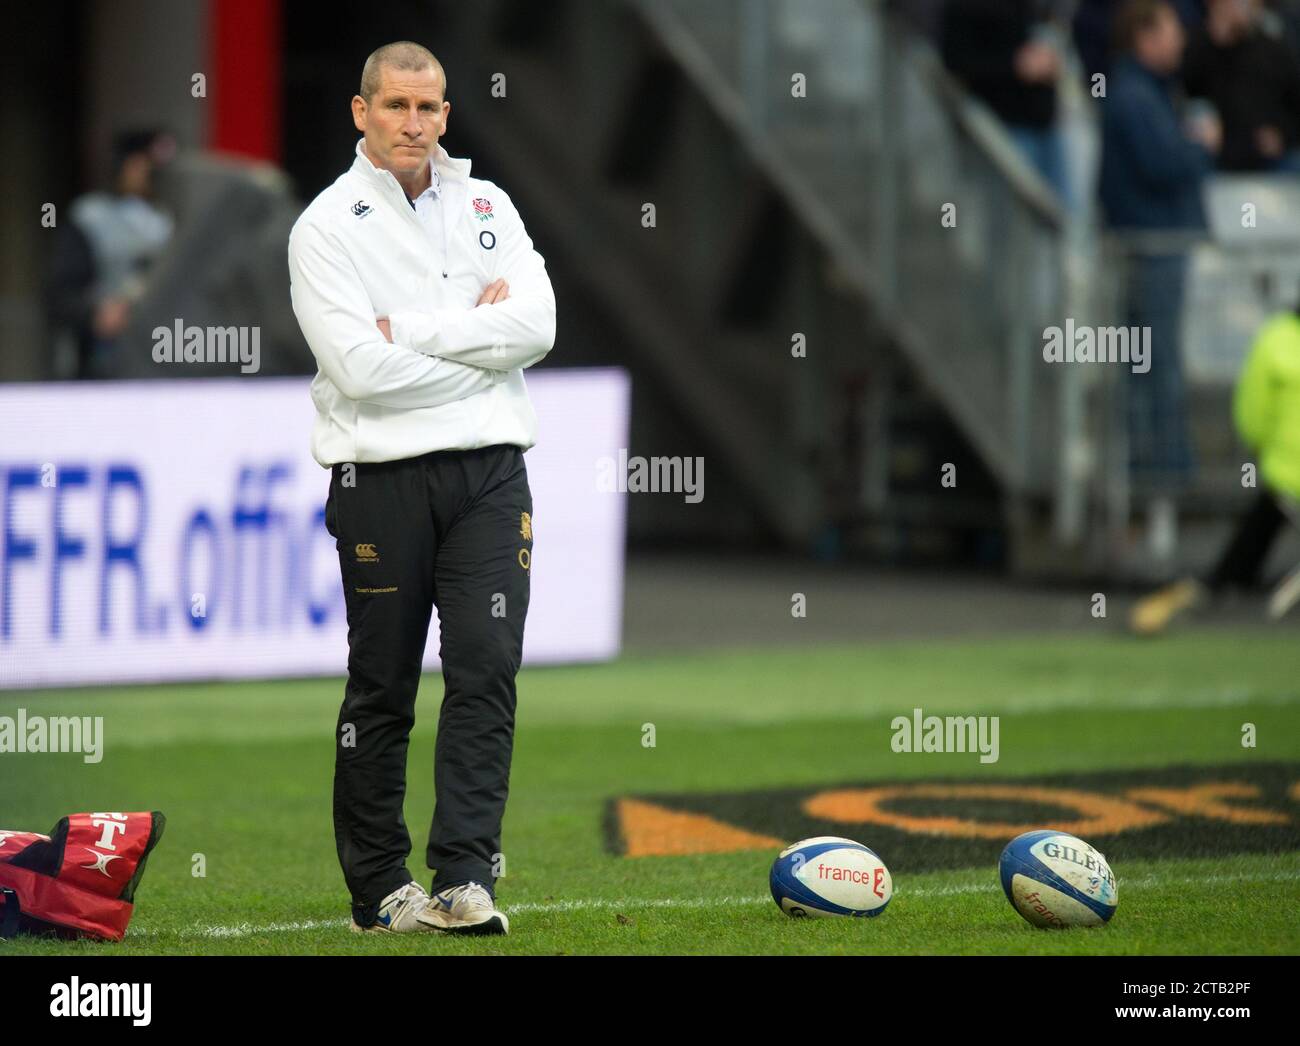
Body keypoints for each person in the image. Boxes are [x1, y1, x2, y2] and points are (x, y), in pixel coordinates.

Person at [287, 41, 556, 935]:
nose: (415, 124)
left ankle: (467, 873)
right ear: (361, 111)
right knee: (384, 687)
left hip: (490, 475)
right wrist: (481, 355)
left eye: (430, 107)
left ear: (447, 113)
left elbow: (539, 324)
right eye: (397, 106)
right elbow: (360, 371)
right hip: (381, 478)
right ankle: (379, 891)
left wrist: (418, 334)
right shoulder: (325, 226)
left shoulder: (487, 202)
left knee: (485, 671)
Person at [1099, 0, 1219, 564]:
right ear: (1144, 36)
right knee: (1154, 369)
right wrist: (1201, 145)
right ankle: (1158, 498)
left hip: (1152, 246)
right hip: (1151, 248)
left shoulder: (1147, 92)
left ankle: (1152, 502)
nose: (1179, 42)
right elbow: (1162, 163)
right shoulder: (1133, 96)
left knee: (1148, 368)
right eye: (1170, 31)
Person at [1131, 305, 1300, 632]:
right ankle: (1218, 591)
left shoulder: (1275, 337)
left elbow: (1251, 414)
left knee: (1260, 528)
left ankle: (1214, 592)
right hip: (1287, 480)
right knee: (1261, 528)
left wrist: (1260, 444)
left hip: (1286, 474)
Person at [45, 130, 175, 378]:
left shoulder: (174, 218)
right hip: (103, 359)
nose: (150, 175)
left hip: (166, 355)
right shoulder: (91, 217)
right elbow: (60, 293)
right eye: (143, 165)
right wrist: (96, 314)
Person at [940, 0, 1073, 206]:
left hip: (1046, 122)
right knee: (1015, 215)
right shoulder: (966, 8)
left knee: (1062, 215)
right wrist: (1016, 65)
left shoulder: (1029, 8)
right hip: (1005, 126)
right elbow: (957, 61)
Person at [1183, 0, 1300, 172]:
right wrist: (1217, 41)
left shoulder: (1275, 49)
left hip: (1271, 158)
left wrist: (1282, 135)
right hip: (1217, 156)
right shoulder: (1199, 46)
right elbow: (1187, 93)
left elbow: (1295, 105)